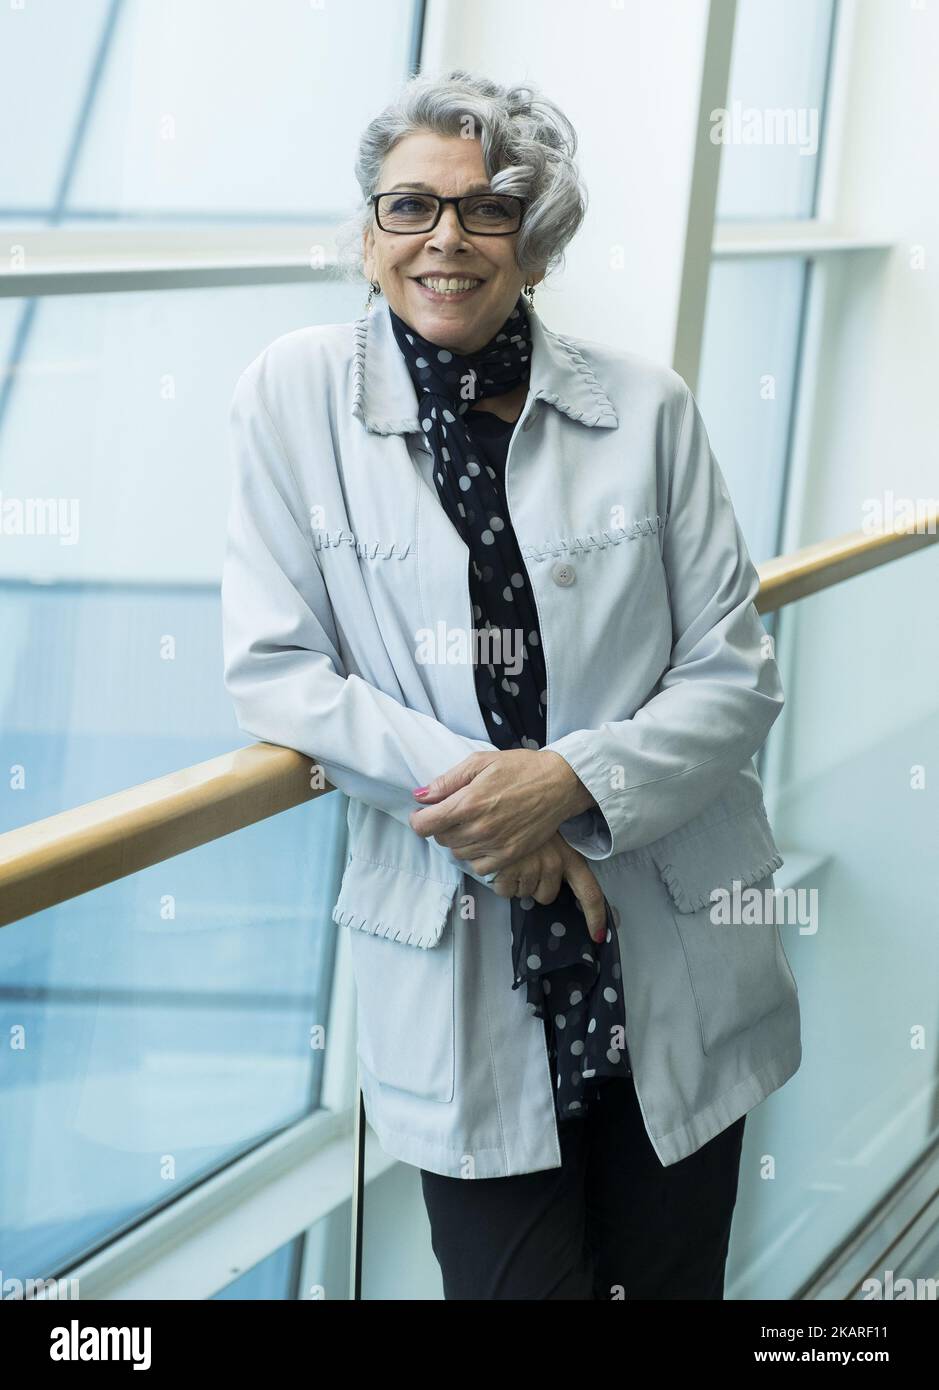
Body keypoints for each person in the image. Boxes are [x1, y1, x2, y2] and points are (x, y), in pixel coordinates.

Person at [221, 68, 801, 1300]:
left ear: (535, 248)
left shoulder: (644, 407)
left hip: (665, 949)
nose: (445, 239)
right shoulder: (294, 395)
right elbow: (278, 671)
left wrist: (569, 784)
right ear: (370, 234)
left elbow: (736, 671)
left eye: (487, 212)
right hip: (466, 947)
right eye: (409, 206)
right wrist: (502, 821)